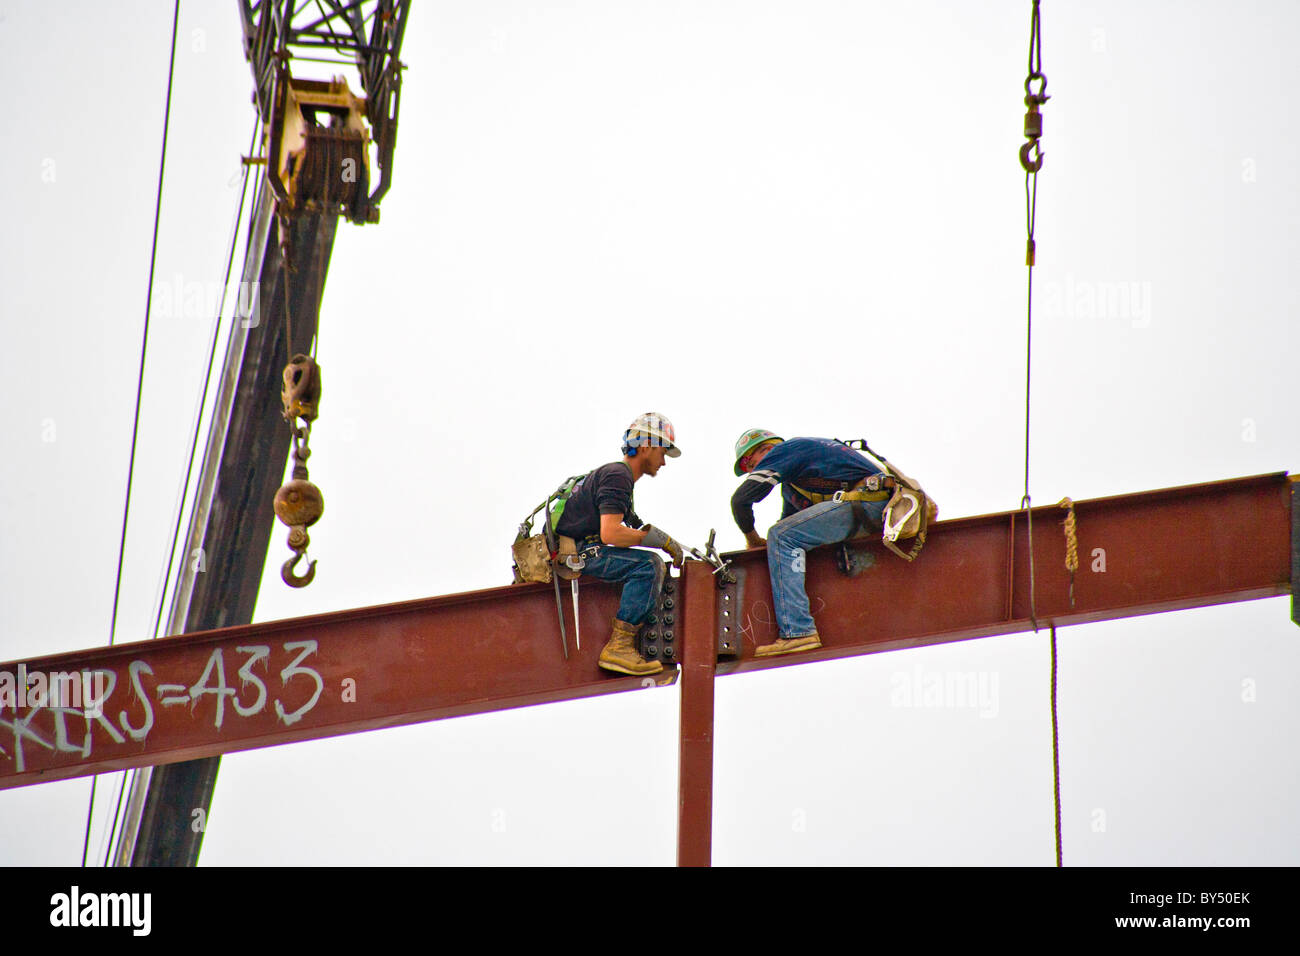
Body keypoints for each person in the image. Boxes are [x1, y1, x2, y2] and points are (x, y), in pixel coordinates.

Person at [730, 429, 898, 658]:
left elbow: (740, 500)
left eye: (750, 465)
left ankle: (798, 631)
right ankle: (798, 628)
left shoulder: (784, 451)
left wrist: (752, 539)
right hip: (870, 507)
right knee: (784, 536)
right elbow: (793, 525)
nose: (753, 472)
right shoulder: (793, 485)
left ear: (766, 450)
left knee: (781, 537)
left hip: (868, 502)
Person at [555, 413, 687, 676]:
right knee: (649, 566)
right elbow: (611, 534)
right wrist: (661, 543)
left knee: (649, 559)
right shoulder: (618, 476)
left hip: (578, 548)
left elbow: (634, 527)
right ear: (647, 446)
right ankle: (619, 648)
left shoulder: (618, 478)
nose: (663, 461)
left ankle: (620, 647)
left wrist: (667, 540)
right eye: (662, 452)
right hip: (579, 552)